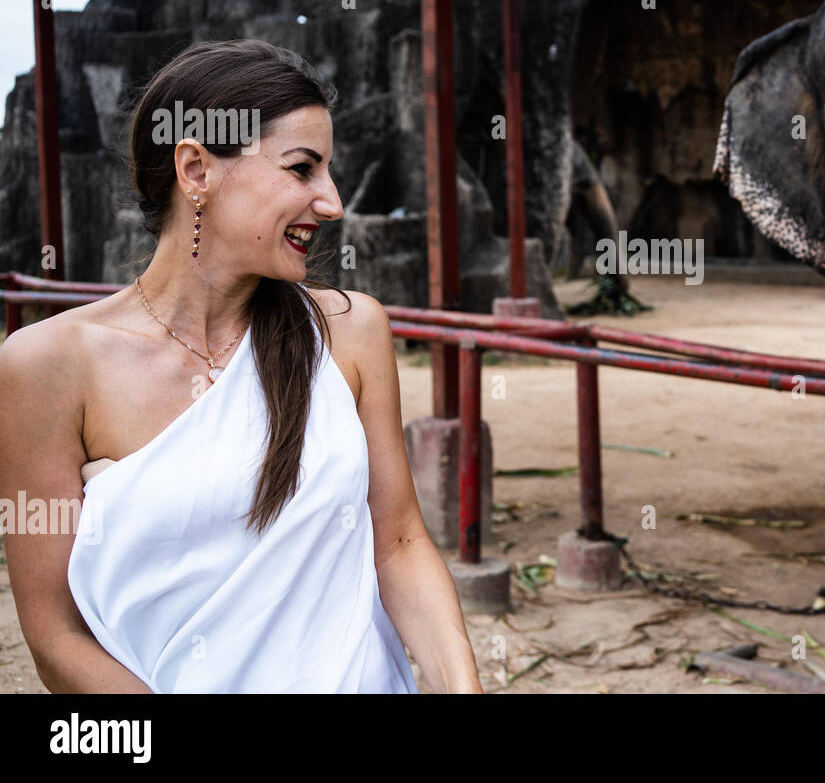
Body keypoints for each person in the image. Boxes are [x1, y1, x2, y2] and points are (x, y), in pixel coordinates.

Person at [0, 39, 482, 693]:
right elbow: (57, 635)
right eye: (303, 168)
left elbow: (397, 542)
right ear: (196, 170)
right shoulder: (45, 367)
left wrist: (463, 687)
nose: (332, 201)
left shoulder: (350, 330)